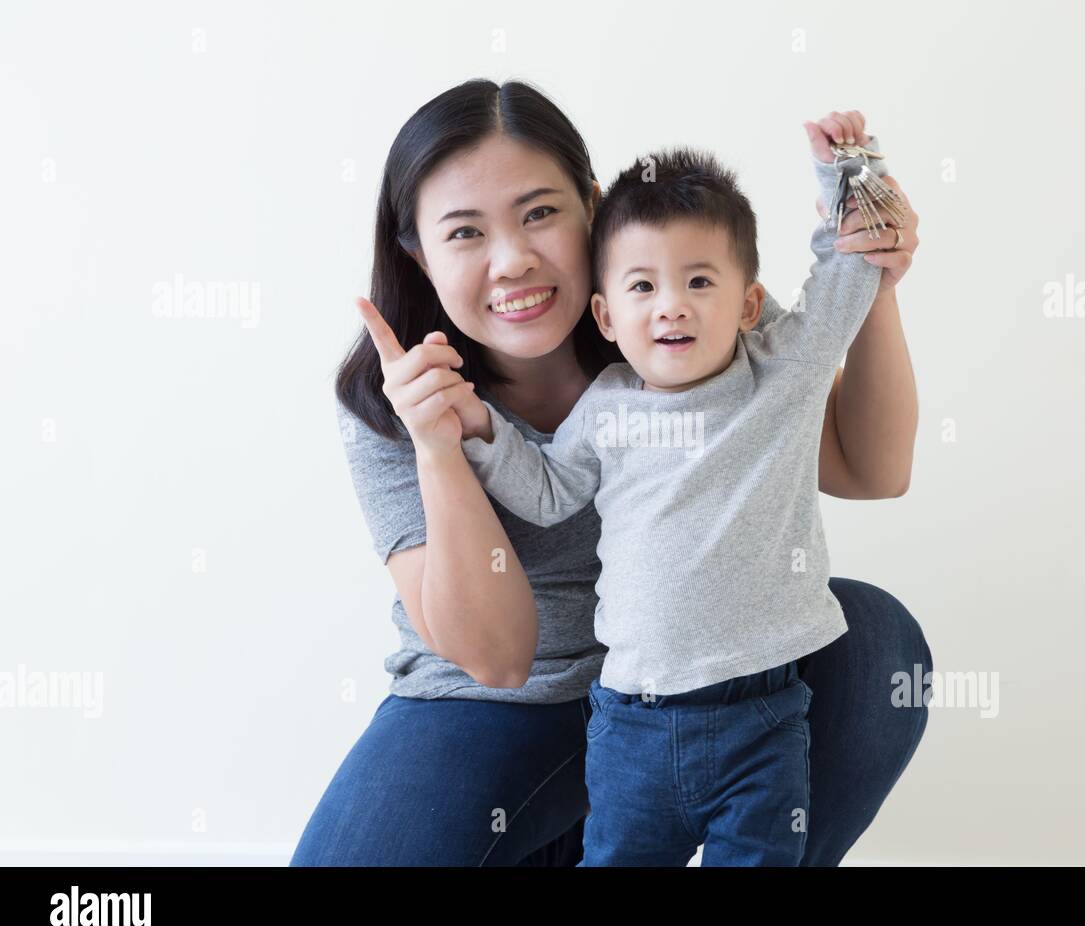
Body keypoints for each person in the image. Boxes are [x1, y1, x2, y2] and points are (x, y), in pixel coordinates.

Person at [290, 78, 930, 867]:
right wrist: (439, 445)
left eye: (539, 214)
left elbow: (873, 471)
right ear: (416, 254)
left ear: (592, 208)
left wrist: (875, 281)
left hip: (710, 682)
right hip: (499, 710)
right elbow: (499, 657)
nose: (513, 260)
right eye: (463, 233)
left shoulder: (681, 330)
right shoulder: (385, 403)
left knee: (874, 643)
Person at [445, 137, 889, 864]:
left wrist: (850, 166)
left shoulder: (781, 372)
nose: (671, 307)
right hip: (632, 727)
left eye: (700, 282)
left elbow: (847, 274)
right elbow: (551, 492)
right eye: (643, 287)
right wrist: (481, 431)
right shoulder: (607, 406)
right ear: (606, 316)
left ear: (749, 304)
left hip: (764, 720)